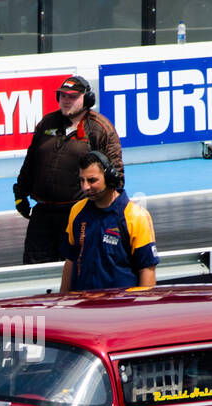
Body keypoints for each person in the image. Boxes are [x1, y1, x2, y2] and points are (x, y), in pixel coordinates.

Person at [14, 75, 123, 264]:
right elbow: (30, 162)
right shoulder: (47, 123)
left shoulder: (100, 129)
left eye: (72, 97)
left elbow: (116, 178)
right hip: (42, 214)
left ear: (87, 99)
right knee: (33, 270)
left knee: (78, 269)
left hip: (80, 213)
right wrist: (20, 194)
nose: (65, 100)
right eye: (62, 96)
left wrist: (107, 215)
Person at [59, 151, 157, 293]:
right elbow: (70, 260)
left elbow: (147, 269)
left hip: (121, 309)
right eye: (82, 180)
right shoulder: (77, 211)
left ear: (110, 178)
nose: (85, 187)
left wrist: (142, 309)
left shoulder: (136, 216)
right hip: (82, 306)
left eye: (92, 180)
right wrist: (64, 300)